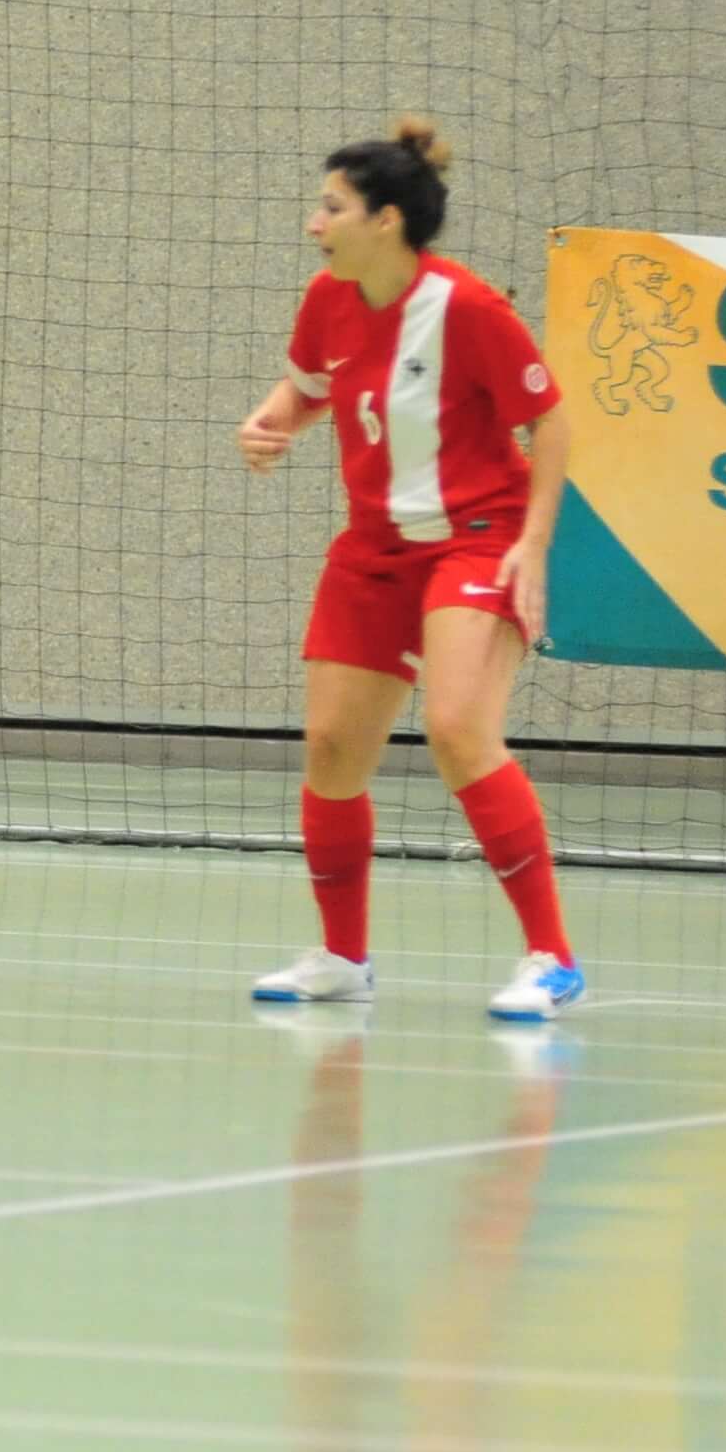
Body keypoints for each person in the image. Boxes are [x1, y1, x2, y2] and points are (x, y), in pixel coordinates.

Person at [237, 118, 585, 1019]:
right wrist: (271, 421)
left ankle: (551, 958)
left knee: (458, 728)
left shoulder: (467, 307)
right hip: (373, 545)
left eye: (332, 207)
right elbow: (312, 388)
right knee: (331, 749)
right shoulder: (328, 298)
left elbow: (550, 419)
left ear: (386, 219)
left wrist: (532, 543)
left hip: (478, 534)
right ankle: (342, 957)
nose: (315, 224)